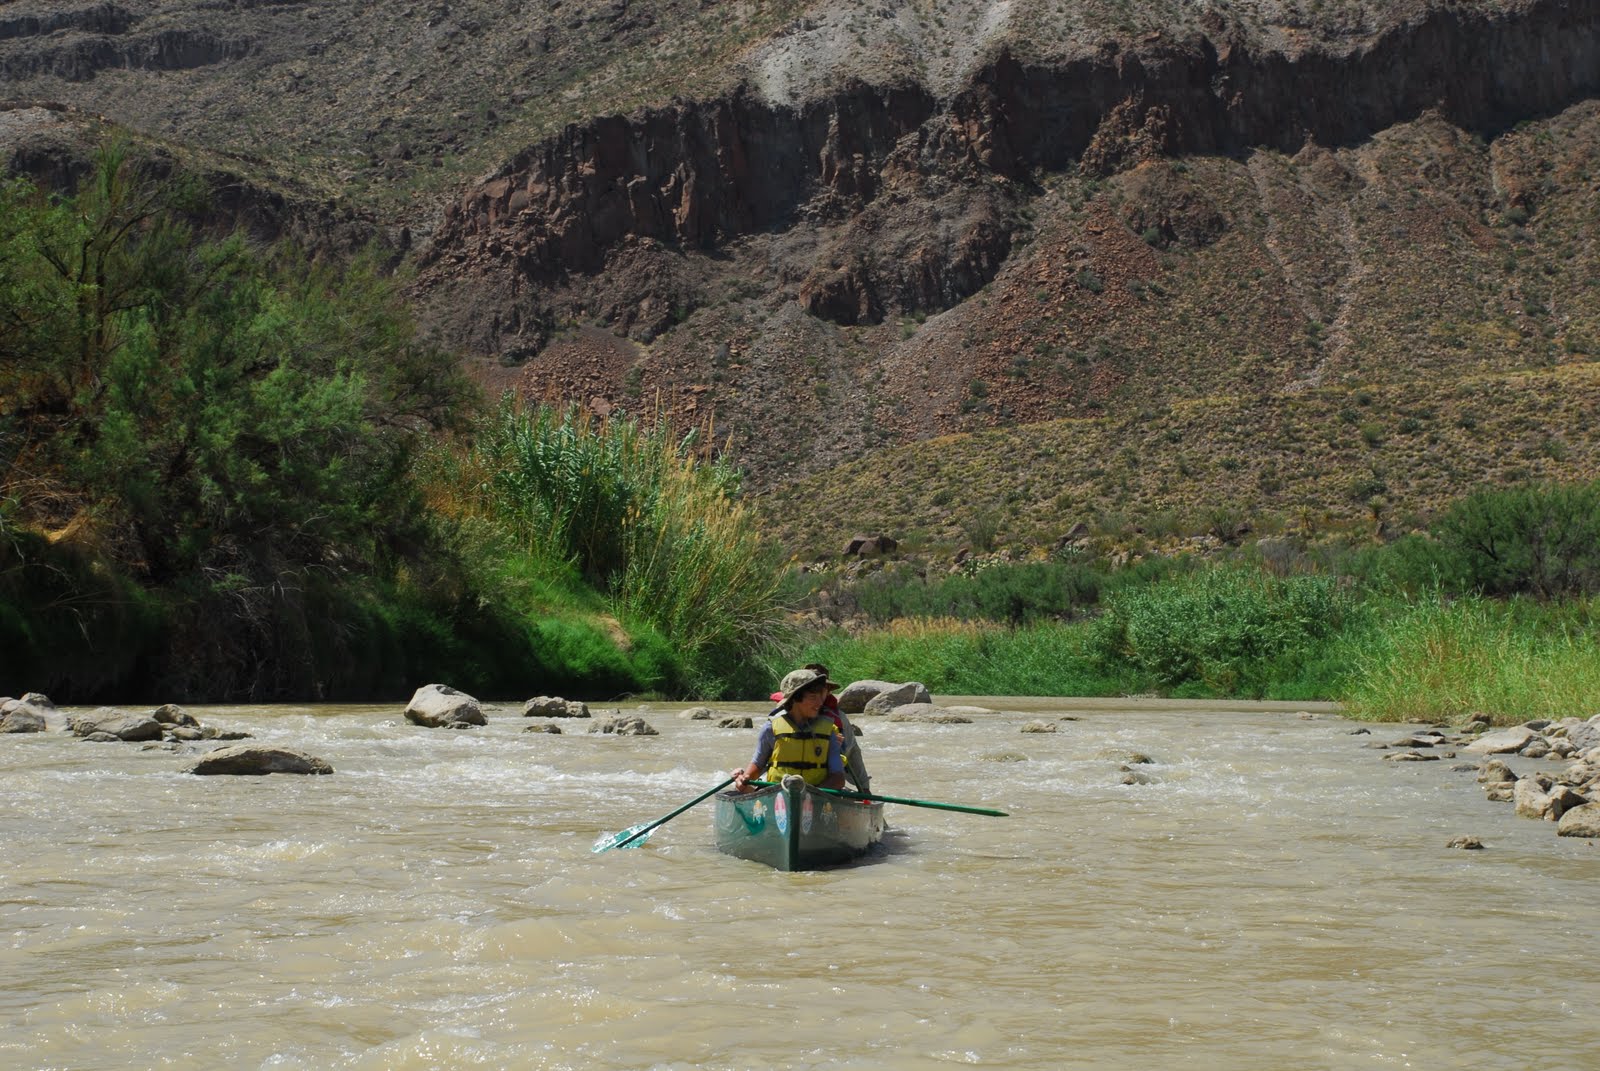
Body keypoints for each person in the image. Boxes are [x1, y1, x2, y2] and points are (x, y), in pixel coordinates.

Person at [733, 667, 846, 791]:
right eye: (813, 697)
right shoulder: (770, 728)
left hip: (817, 795)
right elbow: (757, 765)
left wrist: (810, 794)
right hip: (777, 794)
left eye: (821, 697)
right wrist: (744, 779)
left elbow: (838, 778)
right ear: (796, 698)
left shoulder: (828, 731)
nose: (820, 703)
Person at [768, 663, 870, 793]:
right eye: (812, 691)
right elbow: (766, 756)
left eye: (822, 689)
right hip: (785, 782)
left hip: (826, 782)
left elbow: (853, 752)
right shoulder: (779, 718)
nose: (819, 695)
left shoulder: (838, 718)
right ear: (799, 693)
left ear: (827, 692)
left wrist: (864, 787)